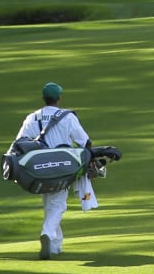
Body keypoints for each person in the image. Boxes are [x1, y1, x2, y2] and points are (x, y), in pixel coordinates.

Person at [15, 81, 97, 259]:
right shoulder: (67, 117)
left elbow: (20, 142)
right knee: (58, 205)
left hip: (38, 170)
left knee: (49, 205)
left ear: (44, 99)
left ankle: (54, 246)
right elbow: (85, 142)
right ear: (59, 98)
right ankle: (47, 233)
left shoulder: (32, 117)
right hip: (62, 167)